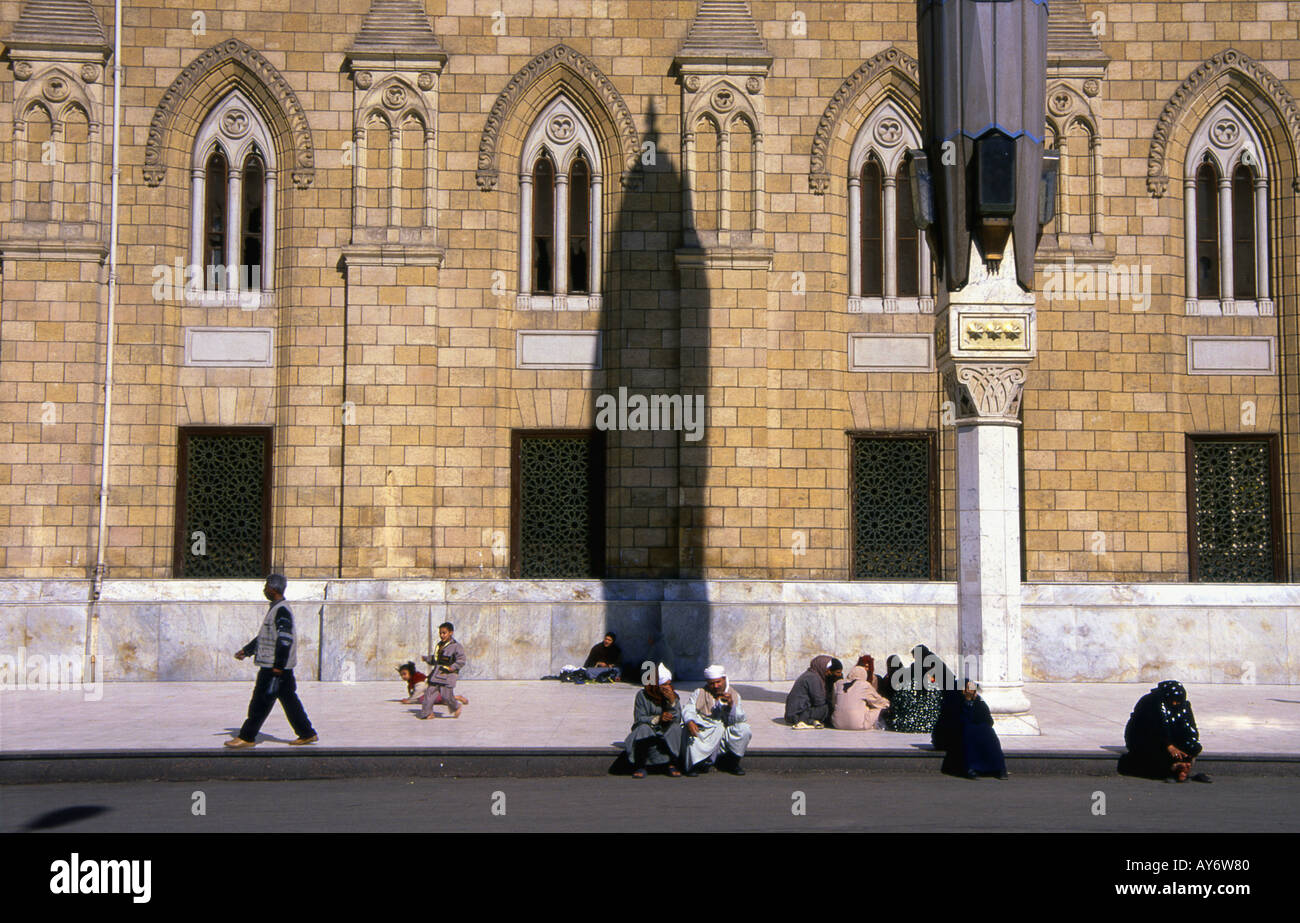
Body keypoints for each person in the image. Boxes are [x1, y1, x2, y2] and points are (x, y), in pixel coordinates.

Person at [225, 574, 317, 748]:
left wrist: (278, 666)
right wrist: (247, 650)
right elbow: (266, 636)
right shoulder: (276, 608)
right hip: (278, 667)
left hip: (274, 667)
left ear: (273, 589)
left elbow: (284, 639)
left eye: (266, 586)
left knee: (261, 702)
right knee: (290, 701)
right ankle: (307, 733)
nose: (264, 589)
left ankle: (247, 736)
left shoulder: (281, 610)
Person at [1118, 680, 1210, 783]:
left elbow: (1189, 727)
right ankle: (1171, 768)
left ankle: (1183, 765)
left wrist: (1191, 747)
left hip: (1171, 738)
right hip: (1146, 738)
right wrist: (1168, 745)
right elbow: (1153, 728)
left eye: (1178, 701)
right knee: (1159, 750)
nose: (1175, 704)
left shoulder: (1183, 706)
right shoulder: (1151, 703)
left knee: (1192, 747)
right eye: (1173, 700)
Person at [682, 664, 751, 775]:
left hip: (723, 730)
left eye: (718, 682)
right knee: (690, 732)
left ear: (724, 679)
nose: (716, 686)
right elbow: (689, 708)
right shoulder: (699, 692)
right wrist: (690, 720)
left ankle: (733, 763)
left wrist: (730, 706)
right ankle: (695, 765)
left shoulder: (734, 695)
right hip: (704, 730)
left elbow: (739, 718)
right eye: (712, 683)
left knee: (744, 729)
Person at [623, 663, 684, 778]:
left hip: (665, 731)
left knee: (675, 728)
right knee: (643, 729)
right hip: (649, 728)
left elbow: (677, 718)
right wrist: (657, 719)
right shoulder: (642, 695)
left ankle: (672, 764)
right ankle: (640, 765)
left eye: (669, 684)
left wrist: (672, 703)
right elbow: (639, 718)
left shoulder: (672, 696)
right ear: (656, 684)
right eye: (664, 685)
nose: (667, 688)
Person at [940, 681, 1008, 779]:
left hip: (976, 727)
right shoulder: (955, 701)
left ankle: (999, 768)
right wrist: (967, 702)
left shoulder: (979, 702)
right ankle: (971, 768)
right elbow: (957, 719)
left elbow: (988, 720)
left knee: (989, 733)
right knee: (969, 733)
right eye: (968, 689)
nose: (970, 691)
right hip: (959, 730)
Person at [882, 646, 944, 733]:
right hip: (932, 724)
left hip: (909, 724)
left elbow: (897, 703)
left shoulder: (910, 679)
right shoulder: (934, 682)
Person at [419, 622, 467, 719]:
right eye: (440, 633)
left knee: (446, 696)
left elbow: (461, 660)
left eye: (444, 633)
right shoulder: (440, 645)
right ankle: (427, 713)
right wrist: (427, 659)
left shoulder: (456, 646)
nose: (442, 635)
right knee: (429, 694)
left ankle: (456, 707)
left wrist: (452, 667)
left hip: (448, 675)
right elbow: (436, 659)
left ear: (451, 633)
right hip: (436, 675)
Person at [785, 655, 841, 728]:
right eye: (837, 672)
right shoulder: (812, 678)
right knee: (828, 708)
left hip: (800, 712)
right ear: (827, 670)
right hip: (796, 715)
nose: (839, 675)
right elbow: (819, 702)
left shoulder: (815, 676)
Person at [832, 659, 890, 730]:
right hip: (858, 725)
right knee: (879, 708)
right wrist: (887, 703)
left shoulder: (838, 683)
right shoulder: (864, 685)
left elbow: (834, 702)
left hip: (837, 724)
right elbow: (877, 701)